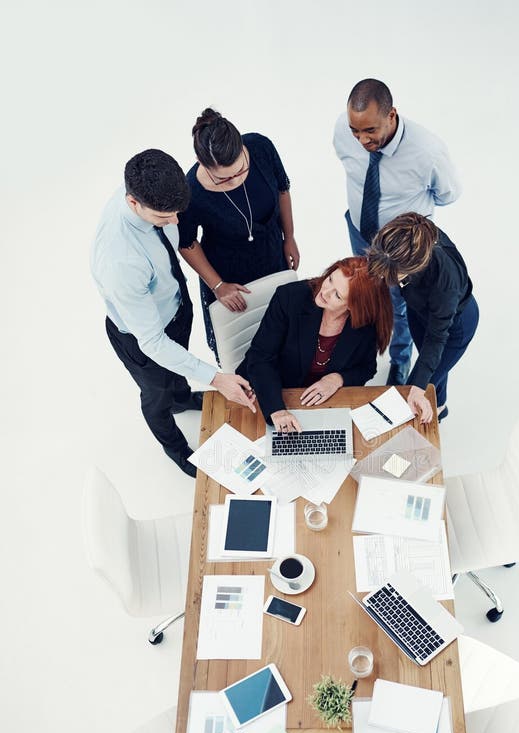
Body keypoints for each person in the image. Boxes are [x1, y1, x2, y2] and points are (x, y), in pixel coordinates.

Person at [91, 149, 256, 478]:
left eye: (176, 213)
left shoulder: (153, 187)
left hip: (174, 307)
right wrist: (216, 378)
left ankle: (182, 398)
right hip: (141, 338)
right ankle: (176, 449)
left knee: (176, 374)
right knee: (156, 394)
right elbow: (152, 342)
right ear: (133, 203)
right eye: (163, 219)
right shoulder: (120, 261)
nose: (176, 223)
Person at [333, 78, 461, 386]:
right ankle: (360, 355)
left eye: (370, 131)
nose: (361, 140)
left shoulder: (427, 151)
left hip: (399, 251)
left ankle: (400, 361)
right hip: (360, 231)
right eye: (356, 131)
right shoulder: (342, 129)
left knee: (399, 307)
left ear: (391, 116)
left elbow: (448, 193)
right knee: (362, 293)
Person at [178, 108, 299, 359]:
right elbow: (187, 243)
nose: (235, 181)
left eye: (240, 170)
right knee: (241, 344)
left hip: (271, 250)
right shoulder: (191, 189)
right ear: (202, 164)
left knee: (284, 331)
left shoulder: (261, 147)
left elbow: (282, 191)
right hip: (227, 270)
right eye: (224, 180)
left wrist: (289, 236)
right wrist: (218, 285)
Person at [237, 257, 392, 432]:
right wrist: (277, 410)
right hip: (267, 392)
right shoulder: (289, 297)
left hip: (322, 402)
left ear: (353, 306)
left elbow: (366, 368)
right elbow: (260, 357)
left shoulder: (365, 324)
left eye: (337, 295)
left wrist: (337, 379)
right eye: (330, 280)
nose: (325, 292)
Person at [367, 212, 479, 425]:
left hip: (453, 327)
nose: (385, 280)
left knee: (411, 392)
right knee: (435, 368)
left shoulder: (446, 283)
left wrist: (417, 388)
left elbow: (436, 340)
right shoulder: (409, 236)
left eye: (392, 277)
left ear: (415, 267)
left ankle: (435, 409)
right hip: (418, 310)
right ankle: (440, 405)